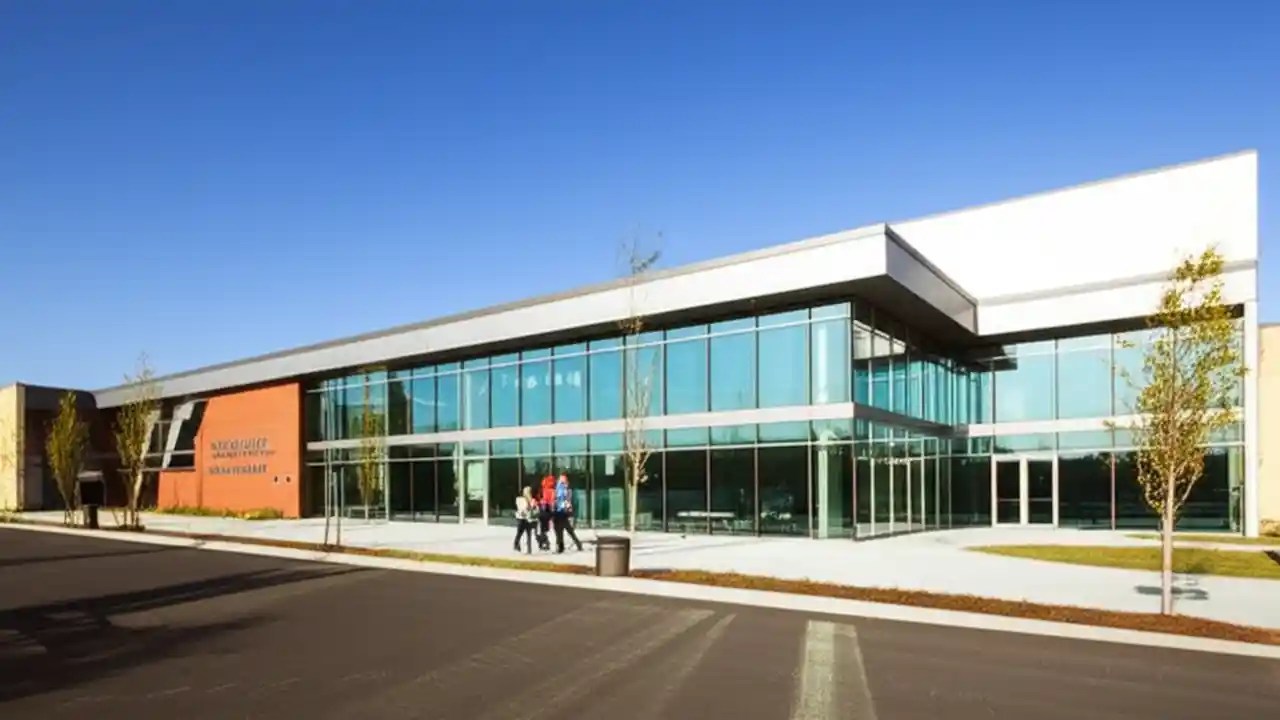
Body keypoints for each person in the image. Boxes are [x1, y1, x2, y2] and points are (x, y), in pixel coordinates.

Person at [553, 473, 583, 553]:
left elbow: (568, 499)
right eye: (560, 478)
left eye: (563, 478)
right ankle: (561, 547)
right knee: (559, 530)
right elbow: (555, 498)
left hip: (563, 511)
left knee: (566, 529)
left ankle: (575, 544)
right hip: (557, 511)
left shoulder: (567, 488)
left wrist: (568, 506)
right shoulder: (558, 487)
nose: (561, 479)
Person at [513, 486, 536, 554]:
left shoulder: (531, 500)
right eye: (528, 491)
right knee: (520, 533)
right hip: (522, 518)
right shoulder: (520, 499)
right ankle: (517, 545)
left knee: (527, 534)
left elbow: (533, 508)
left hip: (527, 518)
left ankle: (528, 549)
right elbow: (522, 508)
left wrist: (531, 506)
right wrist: (528, 506)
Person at [537, 474, 556, 551]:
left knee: (542, 528)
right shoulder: (552, 491)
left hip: (542, 510)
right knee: (545, 528)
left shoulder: (543, 490)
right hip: (547, 510)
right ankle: (543, 542)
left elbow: (540, 499)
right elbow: (552, 502)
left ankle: (542, 543)